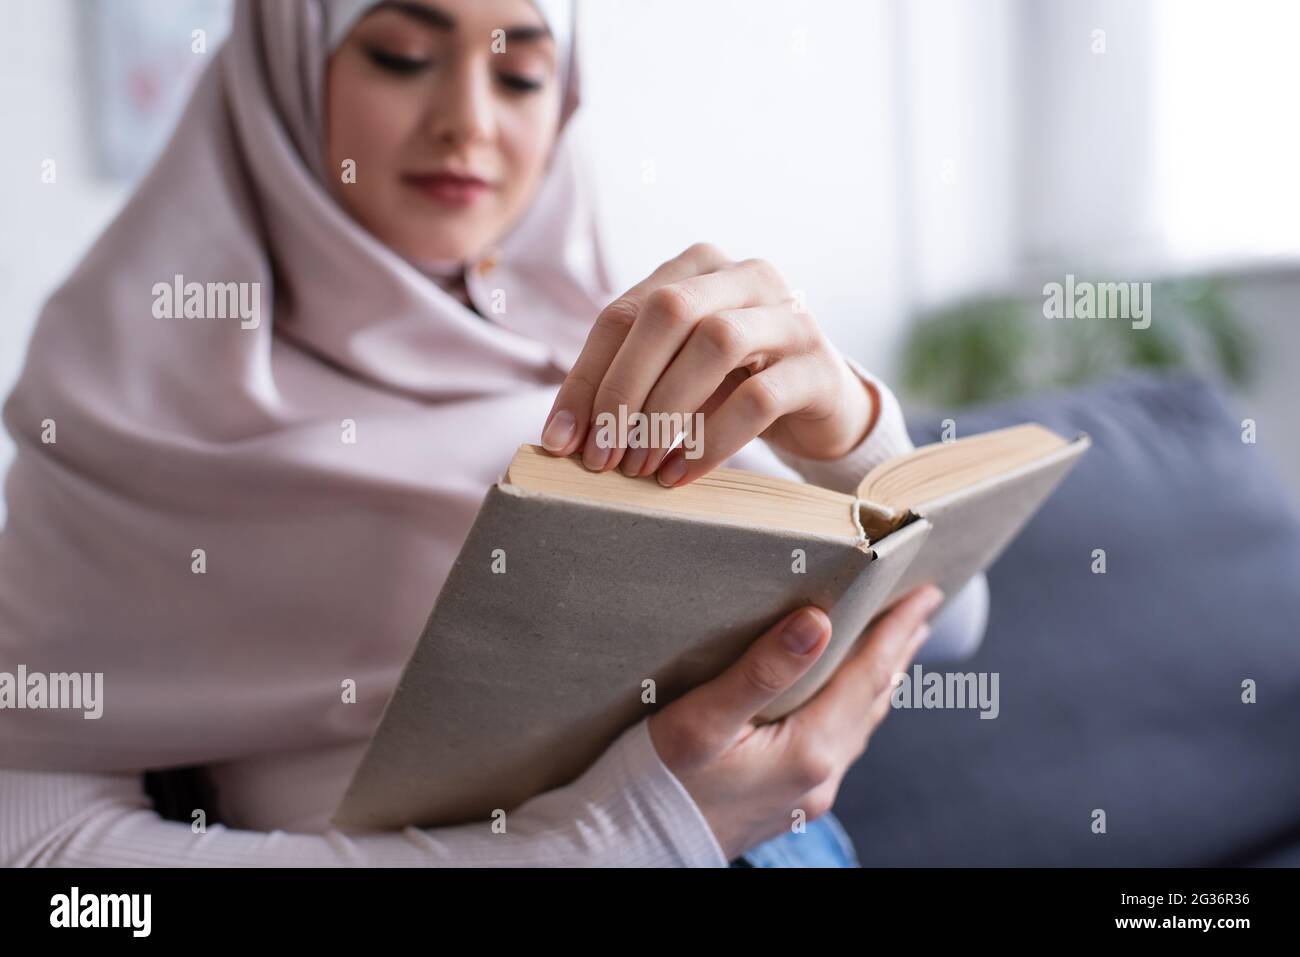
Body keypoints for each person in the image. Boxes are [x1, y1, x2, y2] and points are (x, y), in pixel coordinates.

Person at [0, 0, 986, 867]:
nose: (468, 121)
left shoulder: (627, 349)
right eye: (399, 54)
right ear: (286, 72)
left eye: (520, 73)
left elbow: (956, 624)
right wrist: (608, 845)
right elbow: (38, 846)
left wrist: (851, 437)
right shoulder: (127, 403)